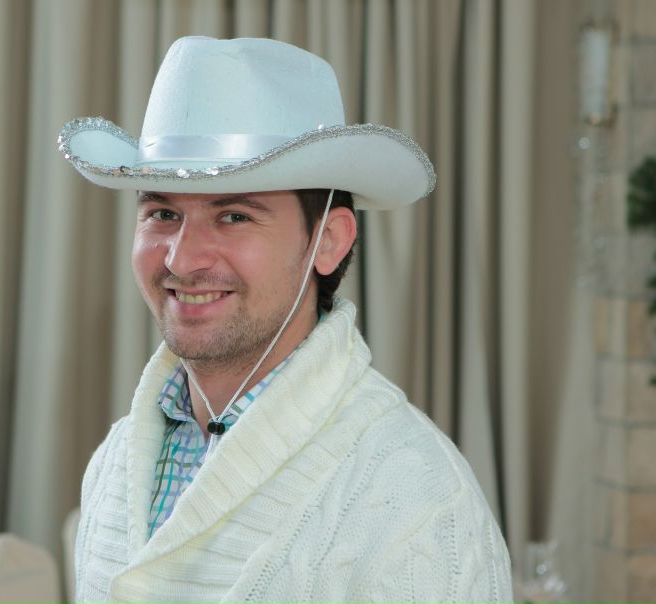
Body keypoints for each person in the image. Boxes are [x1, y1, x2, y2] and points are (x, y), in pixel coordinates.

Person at [58, 36, 512, 604]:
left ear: (328, 240)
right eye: (163, 212)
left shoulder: (418, 502)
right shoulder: (115, 461)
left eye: (233, 215)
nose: (181, 259)